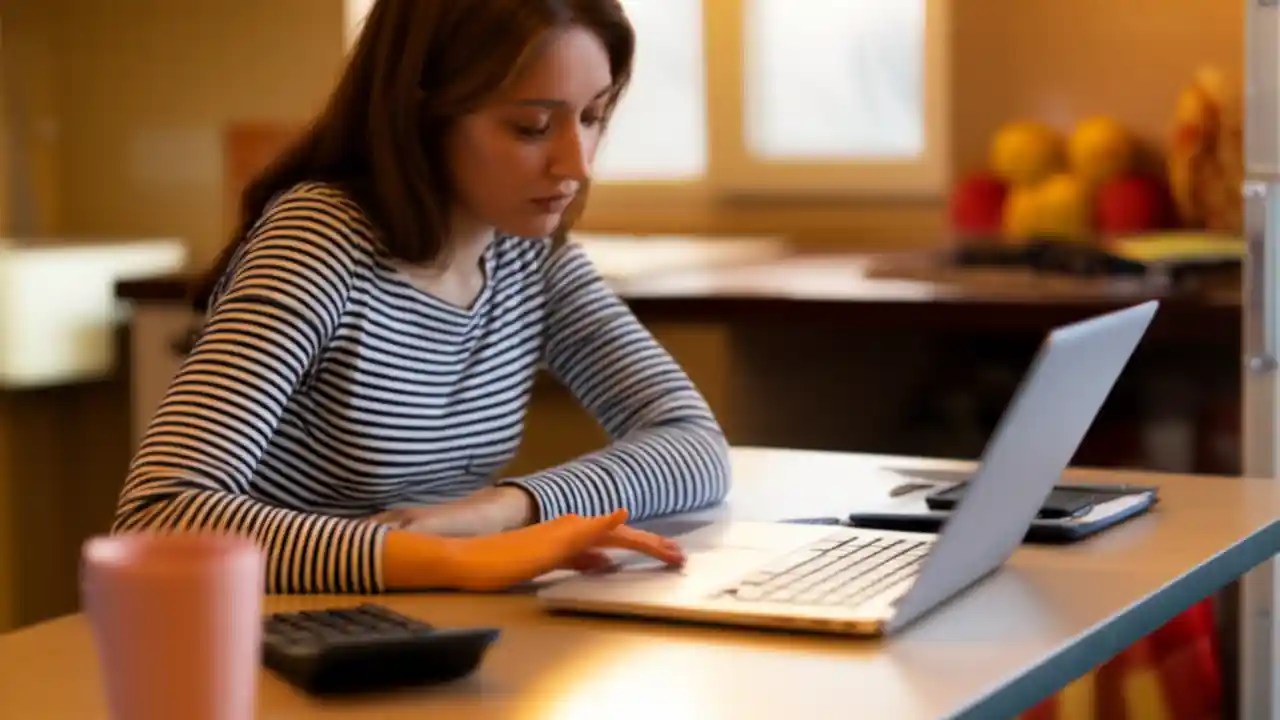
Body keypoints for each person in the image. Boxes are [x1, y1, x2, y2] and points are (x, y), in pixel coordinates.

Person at [111, 0, 730, 593]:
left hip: (414, 615)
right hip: (277, 637)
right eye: (532, 126)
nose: (576, 163)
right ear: (423, 114)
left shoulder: (527, 254)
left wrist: (508, 510)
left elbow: (694, 444)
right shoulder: (320, 238)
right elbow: (161, 516)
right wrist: (455, 558)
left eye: (592, 117)